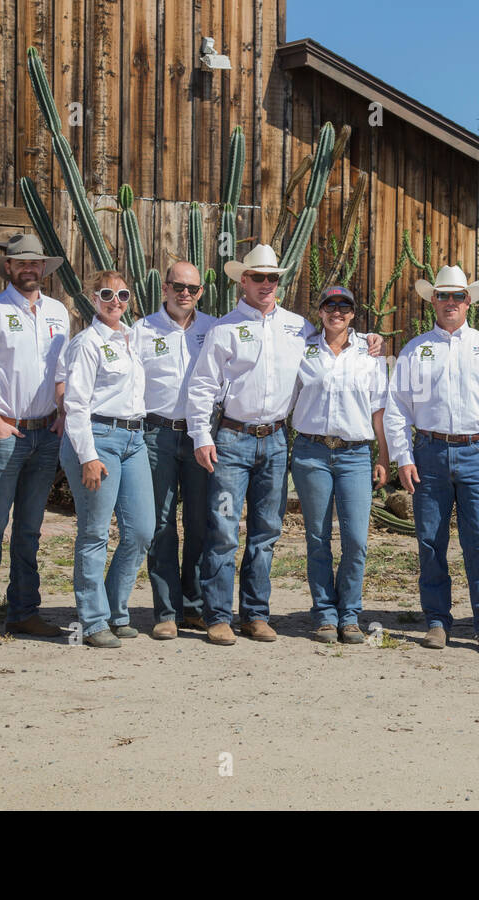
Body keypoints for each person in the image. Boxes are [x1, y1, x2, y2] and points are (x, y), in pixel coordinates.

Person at [185, 245, 383, 647]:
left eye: (272, 277)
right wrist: (201, 436)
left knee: (267, 531)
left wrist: (370, 340)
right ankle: (219, 615)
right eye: (257, 277)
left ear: (279, 282)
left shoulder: (298, 328)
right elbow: (203, 386)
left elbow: (341, 340)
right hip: (231, 440)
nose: (265, 284)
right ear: (243, 280)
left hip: (275, 442)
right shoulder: (224, 329)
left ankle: (255, 614)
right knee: (224, 529)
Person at [384, 265, 479, 655]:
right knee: (430, 540)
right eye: (443, 296)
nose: (451, 303)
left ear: (469, 302)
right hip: (428, 452)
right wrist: (403, 456)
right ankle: (436, 620)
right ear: (433, 300)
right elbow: (397, 408)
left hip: (477, 451)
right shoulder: (416, 350)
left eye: (458, 296)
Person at [0, 234, 70, 647]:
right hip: (6, 430)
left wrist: (63, 413)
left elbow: (61, 373)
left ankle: (24, 611)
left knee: (30, 529)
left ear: (44, 268)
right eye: (21, 262)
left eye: (35, 263)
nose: (28, 268)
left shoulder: (59, 313)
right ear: (7, 267)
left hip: (45, 432)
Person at [58, 270, 154, 648]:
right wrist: (87, 456)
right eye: (107, 294)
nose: (117, 301)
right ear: (92, 299)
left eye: (123, 295)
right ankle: (94, 620)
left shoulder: (131, 339)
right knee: (95, 532)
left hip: (134, 438)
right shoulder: (86, 343)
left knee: (142, 530)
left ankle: (115, 607)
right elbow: (76, 403)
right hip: (97, 438)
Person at [290, 285, 391, 645]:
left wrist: (383, 456)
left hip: (355, 455)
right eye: (329, 304)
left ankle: (350, 614)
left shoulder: (370, 354)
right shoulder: (303, 350)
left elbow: (379, 409)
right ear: (319, 311)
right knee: (317, 538)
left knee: (355, 539)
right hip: (311, 452)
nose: (336, 311)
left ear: (352, 313)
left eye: (344, 306)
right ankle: (324, 615)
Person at [131, 261, 215, 640]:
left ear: (201, 292)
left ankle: (195, 608)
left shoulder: (214, 329)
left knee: (200, 522)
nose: (185, 293)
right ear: (163, 288)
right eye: (177, 286)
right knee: (161, 524)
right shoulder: (142, 330)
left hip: (201, 437)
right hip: (156, 434)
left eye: (192, 288)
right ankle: (166, 610)